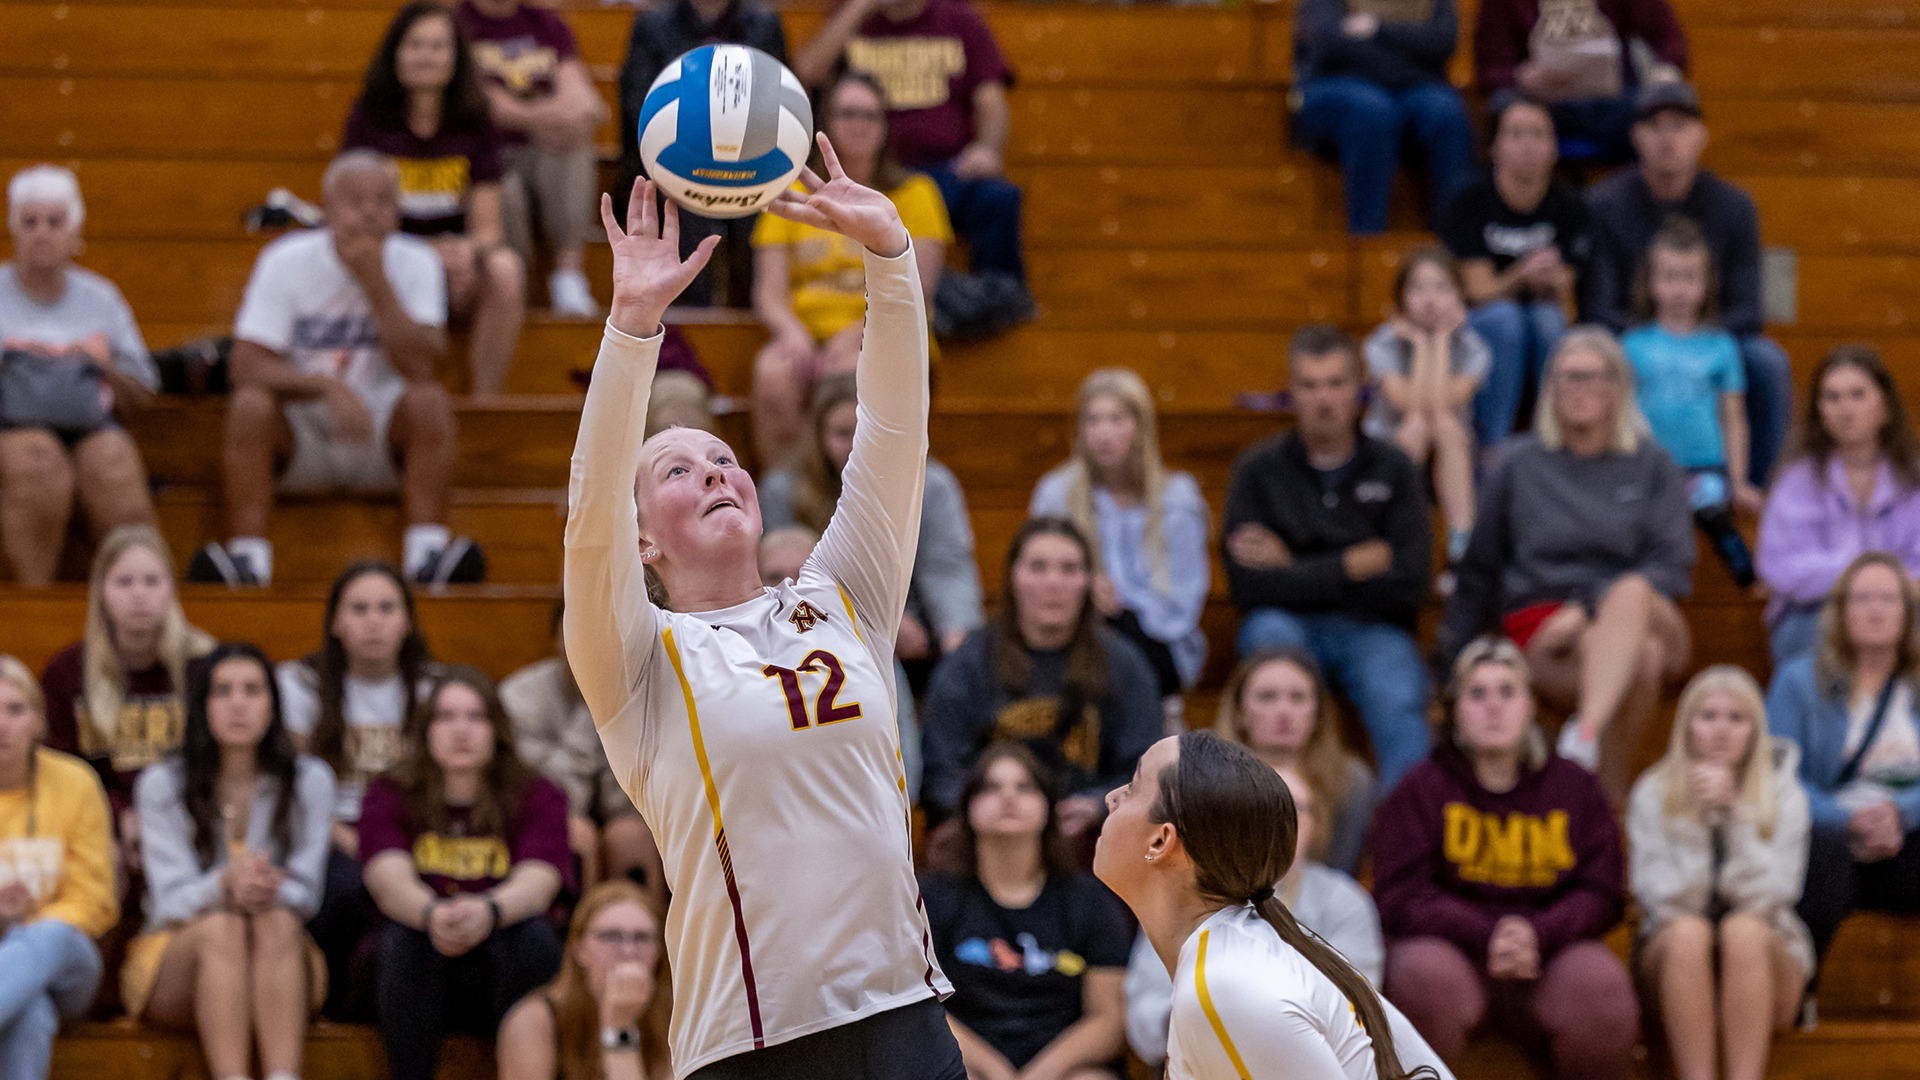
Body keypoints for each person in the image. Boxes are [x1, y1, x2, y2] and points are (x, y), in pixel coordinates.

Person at [562, 144, 968, 1076]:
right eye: (676, 469)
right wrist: (632, 328)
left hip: (908, 1017)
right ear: (642, 546)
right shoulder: (640, 662)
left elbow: (895, 437)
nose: (714, 469)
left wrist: (892, 263)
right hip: (755, 1044)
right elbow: (589, 512)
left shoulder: (844, 600)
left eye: (723, 458)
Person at [189, 151, 486, 589]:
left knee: (430, 401)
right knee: (250, 405)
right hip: (304, 431)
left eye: (382, 200)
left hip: (384, 431)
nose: (369, 212)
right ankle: (248, 561)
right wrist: (326, 388)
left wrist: (375, 281)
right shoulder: (285, 259)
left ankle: (426, 557)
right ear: (326, 209)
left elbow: (422, 367)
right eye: (355, 201)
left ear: (397, 210)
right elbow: (246, 365)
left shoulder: (416, 261)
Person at [1094, 731, 1450, 1080]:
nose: (1111, 798)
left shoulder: (1226, 988)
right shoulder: (1238, 956)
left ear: (1161, 840)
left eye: (1133, 787)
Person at [1437, 328, 1693, 799]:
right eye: (1568, 378)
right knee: (1643, 659)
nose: (1580, 390)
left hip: (1643, 612)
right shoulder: (1518, 465)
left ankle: (1584, 737)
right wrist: (1451, 659)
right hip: (1545, 629)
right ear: (1550, 387)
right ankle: (1606, 804)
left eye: (1594, 378)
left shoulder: (1653, 464)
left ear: (1619, 387)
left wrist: (1585, 607)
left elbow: (1673, 565)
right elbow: (1480, 567)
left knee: (1632, 592)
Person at [1372, 637, 1637, 1079]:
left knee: (1601, 991)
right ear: (1456, 710)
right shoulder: (1421, 788)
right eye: (1478, 694)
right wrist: (1487, 932)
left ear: (1530, 705)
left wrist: (1537, 932)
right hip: (1452, 949)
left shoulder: (1573, 787)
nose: (1493, 706)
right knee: (1420, 976)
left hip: (1551, 949)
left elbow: (1603, 890)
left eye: (1507, 692)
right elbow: (1401, 893)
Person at [1223, 324, 1433, 791]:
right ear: (1292, 392)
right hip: (1284, 623)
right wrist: (1349, 565)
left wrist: (1291, 567)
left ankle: (1407, 840)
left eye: (1336, 384)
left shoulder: (1393, 469)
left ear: (1359, 390)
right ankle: (1266, 813)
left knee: (1397, 693)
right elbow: (1248, 587)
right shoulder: (1258, 469)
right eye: (1310, 385)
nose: (1324, 399)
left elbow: (1410, 583)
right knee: (1268, 646)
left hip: (1375, 630)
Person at [123, 643, 335, 1080]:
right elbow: (167, 903)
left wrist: (266, 889)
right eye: (223, 691)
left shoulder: (311, 780)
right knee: (225, 926)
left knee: (273, 918)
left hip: (280, 955)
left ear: (273, 704)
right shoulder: (162, 783)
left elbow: (308, 894)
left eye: (253, 690)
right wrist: (223, 886)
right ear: (202, 706)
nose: (238, 704)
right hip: (176, 956)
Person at [360, 666, 570, 1080]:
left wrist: (488, 911)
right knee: (404, 942)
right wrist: (431, 914)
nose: (462, 730)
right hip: (416, 959)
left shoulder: (538, 793)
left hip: (501, 952)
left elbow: (540, 879)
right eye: (446, 717)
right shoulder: (390, 791)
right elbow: (386, 877)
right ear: (424, 730)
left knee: (533, 938)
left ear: (497, 730)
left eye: (476, 717)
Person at [1583, 80, 1792, 489]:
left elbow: (1749, 309)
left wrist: (1691, 342)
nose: (1667, 138)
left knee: (1766, 362)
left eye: (1680, 125)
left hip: (1712, 337)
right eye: (1655, 126)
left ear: (1701, 136)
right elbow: (1597, 308)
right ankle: (1599, 479)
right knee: (1587, 356)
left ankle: (1753, 486)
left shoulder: (1735, 206)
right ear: (1636, 137)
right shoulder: (1603, 204)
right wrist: (1657, 340)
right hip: (1634, 338)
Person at [1122, 763, 1385, 1068]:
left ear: (1316, 824)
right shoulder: (1178, 899)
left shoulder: (1344, 900)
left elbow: (1357, 1008)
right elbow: (1143, 1015)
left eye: (1296, 809)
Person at [750, 73, 951, 465]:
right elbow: (768, 292)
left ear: (884, 127)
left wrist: (856, 336)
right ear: (827, 121)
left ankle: (849, 506)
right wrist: (793, 335)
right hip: (806, 333)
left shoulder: (917, 194)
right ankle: (787, 500)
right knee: (773, 372)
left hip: (887, 333)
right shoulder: (793, 194)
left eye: (870, 116)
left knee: (849, 373)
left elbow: (918, 291)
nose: (859, 124)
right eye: (847, 113)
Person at [919, 517, 1162, 836]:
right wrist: (991, 811)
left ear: (1089, 581)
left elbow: (1147, 769)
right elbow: (941, 773)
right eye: (1038, 567)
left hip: (1090, 842)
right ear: (1012, 577)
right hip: (988, 838)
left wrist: (1097, 806)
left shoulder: (1124, 664)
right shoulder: (968, 663)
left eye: (1069, 569)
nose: (1053, 582)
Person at [1630, 665, 1811, 1080]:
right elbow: (1661, 899)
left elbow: (1774, 895)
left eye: (1736, 718)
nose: (1721, 730)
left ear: (1755, 729)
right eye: (1707, 716)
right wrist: (1697, 823)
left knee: (1743, 931)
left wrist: (1736, 819)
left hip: (1765, 953)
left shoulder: (1784, 793)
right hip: (1675, 956)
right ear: (1686, 725)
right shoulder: (1652, 792)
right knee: (1689, 932)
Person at [277, 561, 435, 1018]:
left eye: (386, 608)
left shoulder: (432, 690)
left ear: (407, 622)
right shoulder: (299, 686)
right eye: (359, 609)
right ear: (336, 622)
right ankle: (332, 1008)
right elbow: (294, 786)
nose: (373, 621)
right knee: (340, 885)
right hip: (326, 830)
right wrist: (352, 839)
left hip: (409, 831)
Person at [343, 0, 525, 396]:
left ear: (455, 57)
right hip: (388, 259)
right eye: (415, 45)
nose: (426, 56)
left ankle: (485, 403)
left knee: (506, 269)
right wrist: (428, 254)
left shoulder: (476, 121)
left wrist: (464, 253)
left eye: (437, 46)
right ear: (396, 54)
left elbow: (489, 229)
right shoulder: (369, 117)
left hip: (457, 267)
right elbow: (355, 220)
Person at [797, 0, 1031, 301]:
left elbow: (991, 100)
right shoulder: (851, 18)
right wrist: (859, 7)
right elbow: (809, 71)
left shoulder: (959, 19)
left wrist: (987, 149)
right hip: (869, 174)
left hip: (945, 171)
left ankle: (999, 302)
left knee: (998, 198)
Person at [921, 745, 1130, 1080]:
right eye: (991, 787)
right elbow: (923, 1011)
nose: (1008, 797)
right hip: (969, 1064)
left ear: (1049, 807)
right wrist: (997, 1072)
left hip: (1063, 1069)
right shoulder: (932, 898)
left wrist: (1036, 1076)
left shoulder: (1091, 900)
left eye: (1025, 787)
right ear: (967, 806)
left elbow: (1108, 1020)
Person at [758, 376, 983, 679]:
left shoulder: (930, 486)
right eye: (842, 433)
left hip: (916, 637)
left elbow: (948, 570)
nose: (856, 446)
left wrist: (958, 643)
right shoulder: (783, 490)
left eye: (867, 431)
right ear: (819, 436)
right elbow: (782, 583)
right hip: (814, 635)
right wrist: (873, 621)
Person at [0, 165, 159, 587]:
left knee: (113, 461)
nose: (42, 233)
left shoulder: (100, 297)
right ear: (14, 229)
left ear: (75, 232)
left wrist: (98, 363)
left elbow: (144, 385)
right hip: (10, 426)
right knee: (38, 461)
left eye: (55, 222)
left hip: (92, 423)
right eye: (29, 222)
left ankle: (145, 594)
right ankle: (34, 604)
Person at [1765, 553, 1920, 972]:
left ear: (1908, 613)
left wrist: (1898, 813)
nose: (1875, 610)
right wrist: (1844, 818)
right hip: (1827, 837)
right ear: (1840, 611)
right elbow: (1776, 778)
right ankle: (1802, 994)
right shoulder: (1797, 681)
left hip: (1906, 836)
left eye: (1888, 599)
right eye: (1862, 598)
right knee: (1823, 855)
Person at [1029, 367, 1212, 698]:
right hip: (1078, 629)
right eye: (1093, 420)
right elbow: (1037, 569)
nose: (1103, 433)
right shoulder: (1056, 493)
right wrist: (1082, 590)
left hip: (1156, 640)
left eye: (1117, 419)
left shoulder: (1178, 498)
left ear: (1142, 427)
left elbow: (1182, 605)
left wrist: (1121, 606)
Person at [41, 525, 215, 861]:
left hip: (193, 817)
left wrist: (158, 818)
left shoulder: (204, 666)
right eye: (124, 582)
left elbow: (220, 762)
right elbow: (60, 770)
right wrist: (118, 813)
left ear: (171, 590)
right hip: (96, 823)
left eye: (152, 581)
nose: (139, 594)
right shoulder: (65, 672)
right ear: (101, 592)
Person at [614, 0, 788, 308]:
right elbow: (637, 107)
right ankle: (685, 321)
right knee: (680, 204)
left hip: (746, 158)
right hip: (667, 160)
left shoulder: (764, 25)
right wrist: (674, 165)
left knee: (761, 203)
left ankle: (753, 311)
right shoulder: (652, 26)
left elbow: (779, 105)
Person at [1437, 95, 1587, 446]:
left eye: (1539, 135)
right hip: (1481, 322)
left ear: (1554, 148)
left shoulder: (1570, 205)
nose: (1528, 145)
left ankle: (1552, 441)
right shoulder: (1470, 201)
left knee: (1548, 321)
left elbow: (1570, 307)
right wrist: (1521, 275)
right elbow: (1475, 293)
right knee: (1506, 319)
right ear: (1494, 146)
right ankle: (1495, 443)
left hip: (1540, 318)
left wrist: (1556, 283)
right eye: (1516, 134)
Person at [1757, 345, 1920, 665]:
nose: (1845, 408)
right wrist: (1869, 578)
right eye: (1832, 397)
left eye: (1857, 395)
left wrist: (1884, 593)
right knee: (1804, 641)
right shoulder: (1795, 481)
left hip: (1907, 610)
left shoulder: (1915, 479)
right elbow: (1782, 569)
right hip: (1816, 613)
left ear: (1885, 406)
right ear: (1820, 411)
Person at [501, 599, 667, 901]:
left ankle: (644, 940)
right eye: (578, 632)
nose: (591, 646)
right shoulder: (519, 698)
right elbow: (556, 798)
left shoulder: (650, 693)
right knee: (575, 834)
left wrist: (614, 698)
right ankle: (576, 941)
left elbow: (632, 802)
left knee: (629, 837)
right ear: (557, 640)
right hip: (552, 819)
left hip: (627, 821)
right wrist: (591, 710)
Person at [1623, 216, 1758, 585]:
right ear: (1651, 283)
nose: (1679, 288)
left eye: (1689, 277)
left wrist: (1740, 479)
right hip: (1649, 466)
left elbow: (1733, 416)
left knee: (1711, 505)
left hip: (1704, 467)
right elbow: (1623, 412)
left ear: (1706, 284)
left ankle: (1743, 568)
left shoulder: (1721, 346)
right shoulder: (1633, 345)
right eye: (1669, 277)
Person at [0, 656, 116, 1080]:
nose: (2, 725)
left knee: (48, 936)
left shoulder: (76, 782)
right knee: (30, 1013)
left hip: (68, 959)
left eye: (16, 710)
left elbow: (97, 897)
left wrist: (24, 926)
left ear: (38, 720)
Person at [455, 0, 607, 318]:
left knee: (576, 147)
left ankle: (568, 276)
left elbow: (586, 102)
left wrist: (544, 120)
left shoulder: (546, 23)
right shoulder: (456, 22)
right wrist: (548, 116)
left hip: (543, 149)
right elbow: (483, 105)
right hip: (483, 154)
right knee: (504, 190)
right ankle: (515, 291)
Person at [755, 524, 926, 803]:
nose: (790, 588)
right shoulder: (734, 654)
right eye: (775, 577)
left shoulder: (866, 645)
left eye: (802, 575)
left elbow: (905, 765)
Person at [1288, 0, 1475, 236]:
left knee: (1447, 114)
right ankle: (1367, 240)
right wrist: (1406, 46)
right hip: (1337, 83)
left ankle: (1455, 241)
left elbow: (1442, 41)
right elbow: (1328, 41)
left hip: (1414, 85)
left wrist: (1378, 29)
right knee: (1373, 112)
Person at [1363, 248, 1490, 564]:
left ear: (1460, 296)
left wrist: (1442, 341)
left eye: (1442, 287)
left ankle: (1462, 541)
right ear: (1401, 297)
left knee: (1444, 424)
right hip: (1387, 443)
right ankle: (1387, 533)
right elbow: (1409, 404)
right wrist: (1421, 345)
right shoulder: (1381, 342)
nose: (1430, 299)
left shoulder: (1474, 348)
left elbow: (1441, 404)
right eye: (1418, 288)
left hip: (1450, 445)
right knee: (1418, 424)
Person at [1212, 649, 1377, 875]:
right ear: (1239, 711)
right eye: (1267, 697)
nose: (1284, 711)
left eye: (1298, 698)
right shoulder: (1207, 776)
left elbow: (1341, 873)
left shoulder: (1351, 781)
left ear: (1317, 713)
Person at [497, 880, 674, 1080]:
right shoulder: (536, 1018)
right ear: (579, 949)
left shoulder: (673, 1018)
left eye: (642, 937)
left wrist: (621, 1028)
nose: (628, 951)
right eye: (611, 936)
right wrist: (619, 1028)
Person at [1473, 0, 1687, 164]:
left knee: (1662, 113)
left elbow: (1668, 38)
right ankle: (1512, 214)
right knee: (1507, 110)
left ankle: (1659, 211)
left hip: (1613, 105)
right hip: (1541, 108)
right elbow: (1488, 69)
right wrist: (1520, 76)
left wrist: (1665, 74)